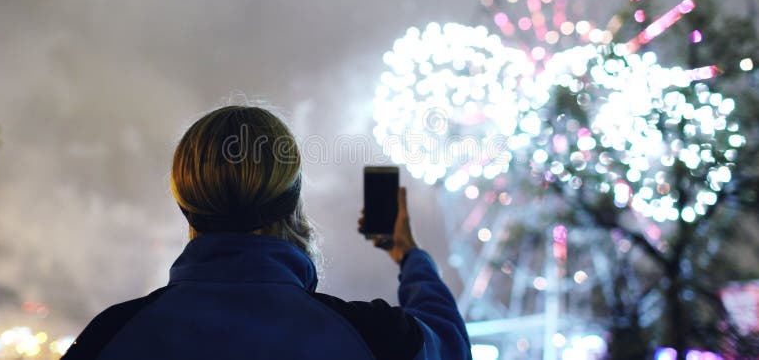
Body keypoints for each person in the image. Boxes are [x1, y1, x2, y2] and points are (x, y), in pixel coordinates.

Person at [63, 105, 471, 360]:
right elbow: (449, 342)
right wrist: (409, 255)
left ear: (186, 201)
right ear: (293, 204)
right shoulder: (375, 338)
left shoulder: (109, 336)